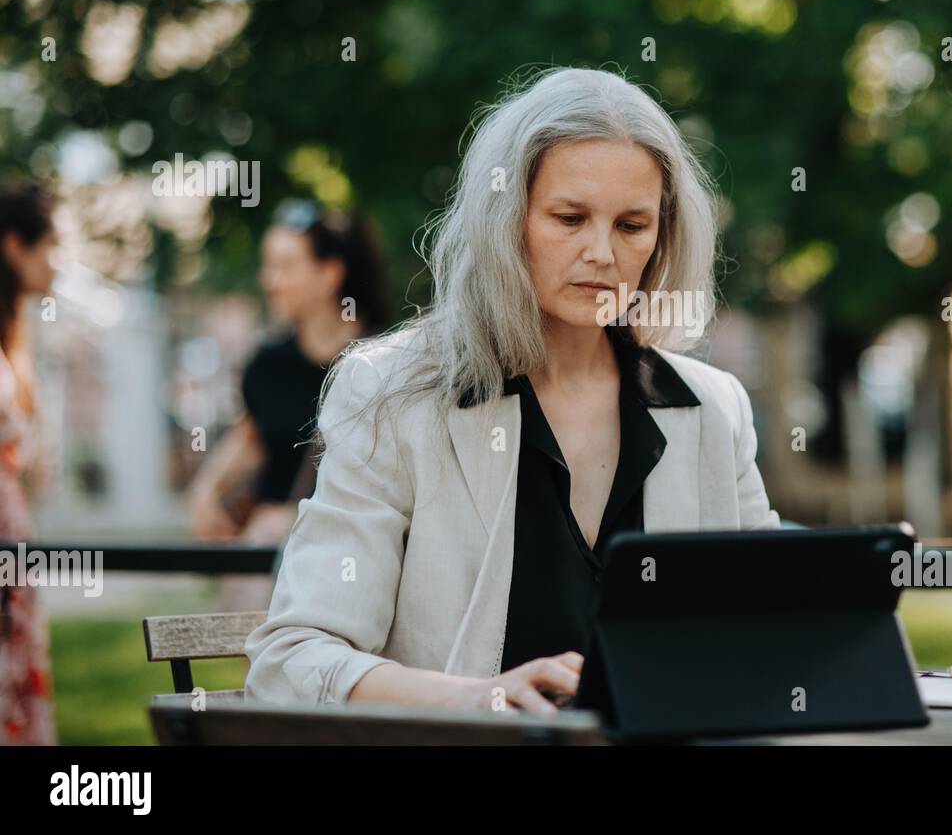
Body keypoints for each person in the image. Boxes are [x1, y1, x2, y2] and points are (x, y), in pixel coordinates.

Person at [244, 66, 779, 715]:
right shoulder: (391, 392)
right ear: (506, 221)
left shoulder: (713, 410)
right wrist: (479, 697)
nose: (602, 254)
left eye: (632, 226)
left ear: (662, 238)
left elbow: (772, 632)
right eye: (570, 218)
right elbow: (292, 661)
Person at [188, 199, 390, 611]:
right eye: (268, 265)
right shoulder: (268, 365)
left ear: (329, 274)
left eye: (284, 266)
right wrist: (205, 490)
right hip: (273, 575)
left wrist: (299, 518)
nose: (269, 280)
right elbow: (254, 438)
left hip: (353, 569)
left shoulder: (385, 362)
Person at [0, 181, 59, 745]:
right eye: (50, 247)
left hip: (14, 538)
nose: (57, 264)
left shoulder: (17, 330)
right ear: (14, 246)